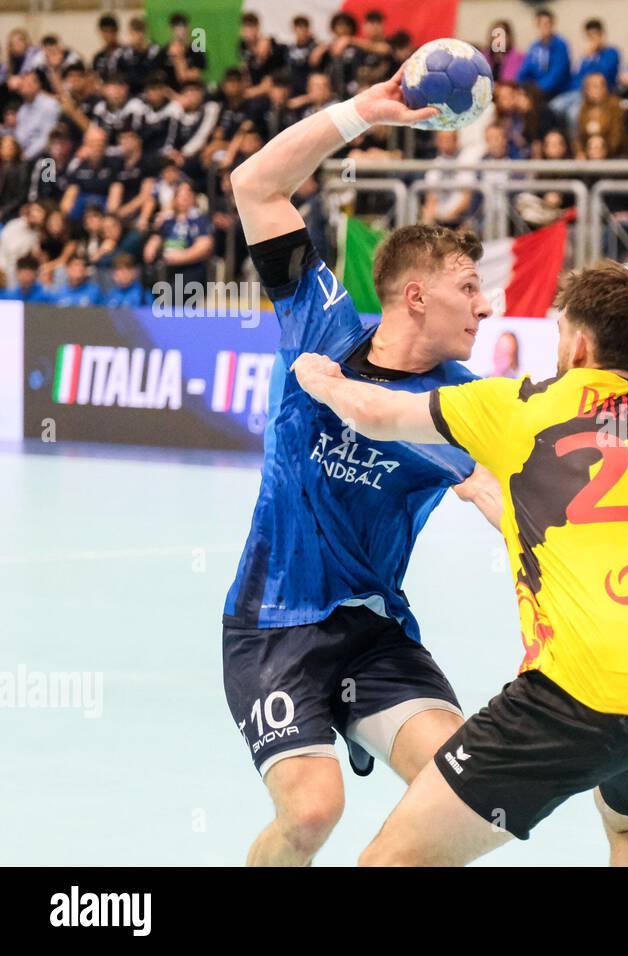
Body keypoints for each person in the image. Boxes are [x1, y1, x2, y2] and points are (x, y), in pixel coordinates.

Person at [290, 260, 628, 867]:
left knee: (391, 862)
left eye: (561, 330)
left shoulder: (525, 406)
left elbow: (374, 413)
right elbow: (587, 534)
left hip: (581, 699)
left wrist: (320, 379)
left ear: (579, 343)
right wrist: (496, 500)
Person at [221, 69, 495, 866]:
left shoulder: (465, 402)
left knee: (461, 786)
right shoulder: (322, 323)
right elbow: (255, 184)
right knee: (312, 813)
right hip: (274, 622)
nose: (486, 306)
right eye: (469, 288)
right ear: (415, 296)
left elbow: (492, 488)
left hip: (374, 629)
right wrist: (362, 112)